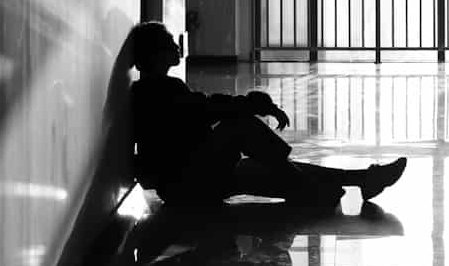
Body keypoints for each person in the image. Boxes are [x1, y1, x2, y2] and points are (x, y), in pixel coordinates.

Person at [128, 21, 407, 208]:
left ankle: (361, 179)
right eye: (168, 43)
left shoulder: (156, 89)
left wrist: (253, 104)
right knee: (240, 128)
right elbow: (209, 108)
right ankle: (316, 189)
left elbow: (207, 106)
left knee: (276, 170)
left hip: (192, 180)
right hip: (190, 185)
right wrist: (257, 105)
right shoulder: (157, 91)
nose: (176, 47)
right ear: (153, 55)